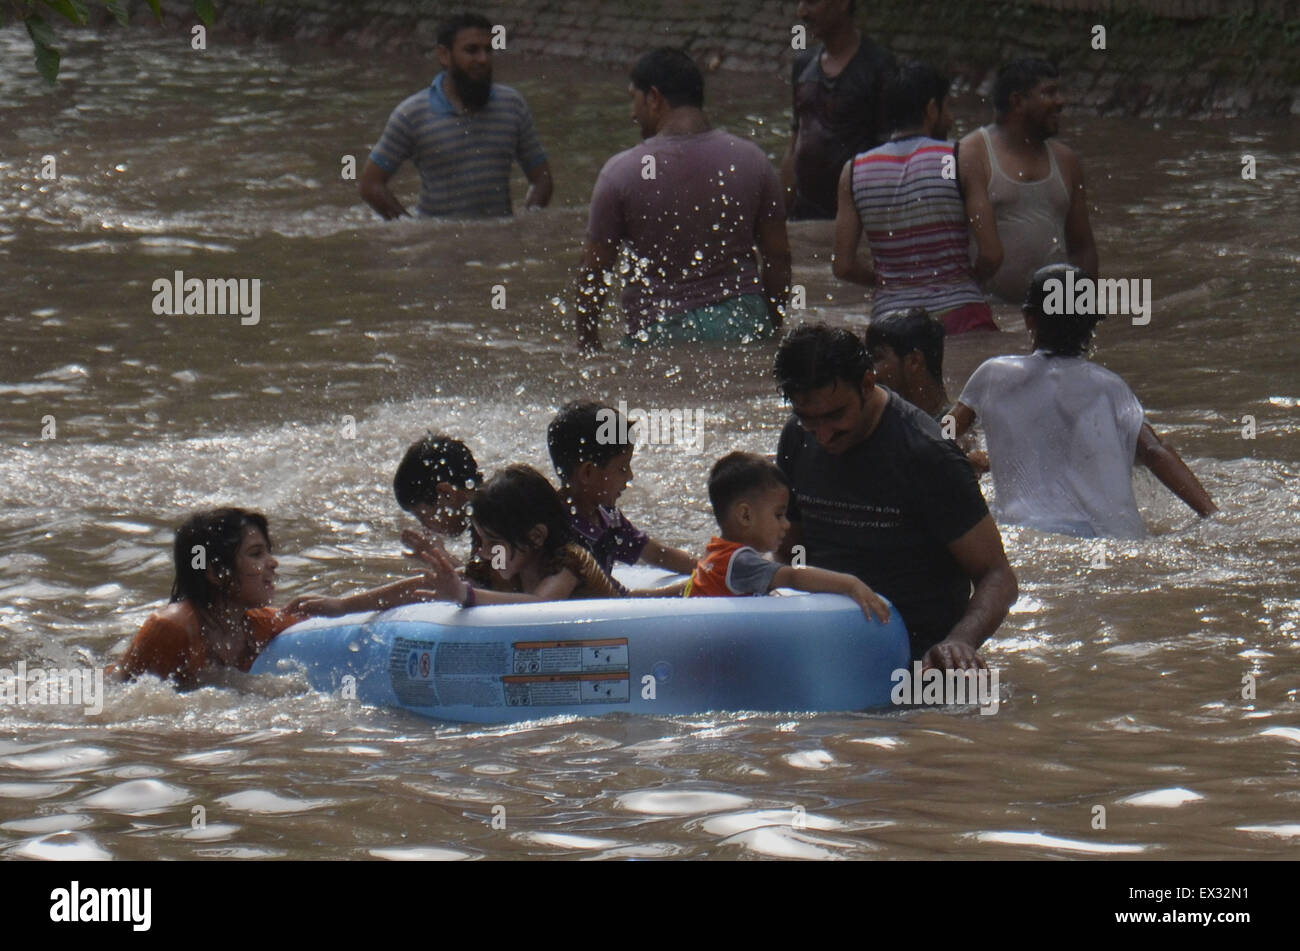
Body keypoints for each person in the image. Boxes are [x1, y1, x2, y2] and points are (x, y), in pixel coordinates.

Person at [773, 324, 1018, 669]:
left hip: (915, 656)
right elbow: (786, 551)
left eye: (835, 415)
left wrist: (959, 642)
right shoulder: (798, 439)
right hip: (825, 645)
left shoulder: (927, 456)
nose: (824, 435)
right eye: (808, 419)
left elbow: (998, 575)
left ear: (868, 384)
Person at [950, 264, 1218, 538]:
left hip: (1030, 535)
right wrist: (1212, 514)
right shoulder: (1109, 387)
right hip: (1111, 538)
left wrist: (963, 461)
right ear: (1090, 324)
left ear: (1029, 319)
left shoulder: (993, 375)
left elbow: (941, 435)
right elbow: (1155, 452)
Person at [576, 48, 790, 350]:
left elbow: (595, 268)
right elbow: (778, 257)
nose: (632, 114)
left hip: (661, 331)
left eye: (633, 99)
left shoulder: (621, 173)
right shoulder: (753, 161)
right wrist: (770, 327)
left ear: (653, 97)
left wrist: (587, 342)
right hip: (744, 324)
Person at [832, 62, 998, 334]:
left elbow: (843, 266)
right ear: (931, 109)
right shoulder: (958, 158)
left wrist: (889, 283)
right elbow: (992, 254)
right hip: (961, 314)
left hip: (892, 324)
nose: (951, 118)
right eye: (948, 107)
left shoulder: (854, 170)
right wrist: (965, 281)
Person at [358, 12, 553, 218]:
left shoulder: (512, 105)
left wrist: (527, 224)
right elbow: (371, 185)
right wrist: (412, 230)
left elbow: (542, 179)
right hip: (439, 244)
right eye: (471, 50)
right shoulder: (412, 114)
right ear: (444, 55)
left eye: (488, 50)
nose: (483, 59)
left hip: (499, 241)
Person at [685, 451, 891, 622]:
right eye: (779, 515)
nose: (787, 524)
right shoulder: (743, 563)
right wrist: (850, 583)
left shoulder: (716, 550)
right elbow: (794, 576)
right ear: (745, 515)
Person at [957, 58, 1098, 302]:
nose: (1061, 102)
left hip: (1053, 313)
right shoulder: (971, 154)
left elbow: (1082, 248)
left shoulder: (1066, 160)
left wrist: (1084, 307)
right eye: (1049, 93)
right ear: (1018, 102)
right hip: (990, 313)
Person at [117, 508, 305, 689]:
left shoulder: (262, 625)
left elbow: (323, 625)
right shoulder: (173, 628)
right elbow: (117, 695)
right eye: (256, 553)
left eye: (268, 551)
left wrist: (334, 606)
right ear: (215, 572)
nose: (273, 562)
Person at [547, 401, 697, 576]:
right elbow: (610, 596)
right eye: (622, 468)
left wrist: (707, 570)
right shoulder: (558, 532)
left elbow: (657, 555)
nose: (630, 476)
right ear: (587, 473)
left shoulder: (608, 518)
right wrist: (686, 591)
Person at [782, 0, 895, 220]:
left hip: (857, 217)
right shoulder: (804, 64)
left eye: (812, 2)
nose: (801, 11)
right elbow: (795, 143)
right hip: (804, 213)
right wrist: (780, 215)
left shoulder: (879, 67)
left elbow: (891, 155)